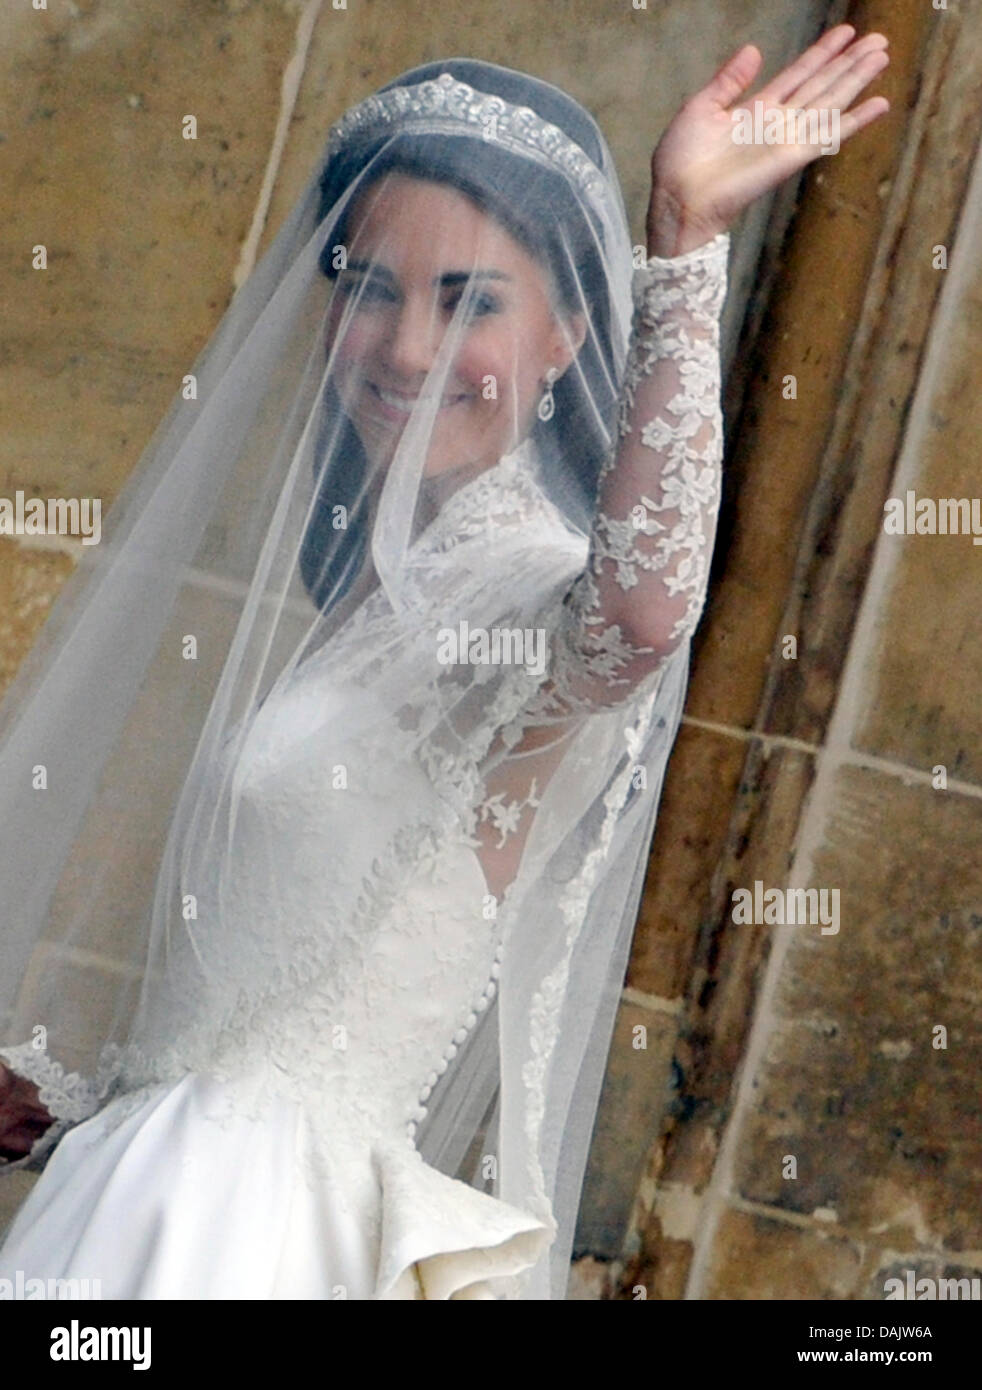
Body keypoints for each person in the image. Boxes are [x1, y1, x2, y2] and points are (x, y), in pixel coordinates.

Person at [0, 30, 889, 1300]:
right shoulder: (364, 599)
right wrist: (79, 1092)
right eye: (370, 285)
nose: (407, 349)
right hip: (153, 1189)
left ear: (570, 335)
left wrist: (685, 244)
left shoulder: (528, 589)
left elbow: (637, 619)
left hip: (258, 1226)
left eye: (470, 299)